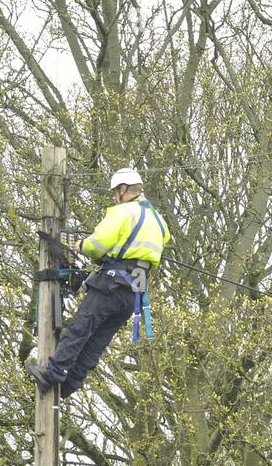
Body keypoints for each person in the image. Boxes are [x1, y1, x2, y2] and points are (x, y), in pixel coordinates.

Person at [25, 167, 170, 397]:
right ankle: (69, 385)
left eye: (115, 192)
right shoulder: (159, 221)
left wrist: (82, 245)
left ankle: (52, 374)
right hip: (133, 294)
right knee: (96, 343)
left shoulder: (123, 212)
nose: (114, 197)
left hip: (110, 285)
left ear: (123, 189)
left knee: (79, 330)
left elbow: (98, 244)